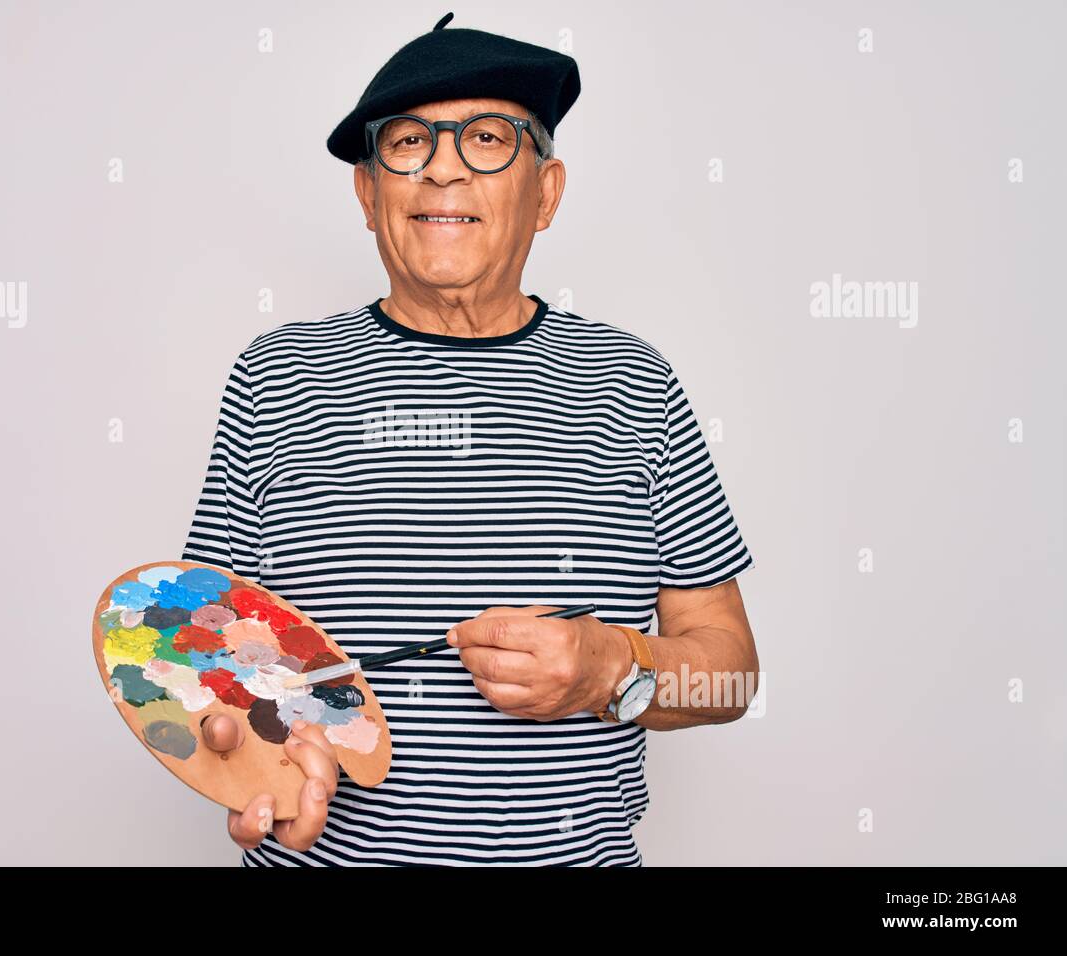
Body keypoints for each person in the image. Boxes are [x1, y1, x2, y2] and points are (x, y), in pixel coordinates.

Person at [183, 12, 759, 866]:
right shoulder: (277, 378)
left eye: (488, 138)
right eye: (407, 142)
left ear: (546, 193)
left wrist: (611, 667)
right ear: (369, 194)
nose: (443, 167)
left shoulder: (634, 383)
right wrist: (258, 757)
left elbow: (731, 673)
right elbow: (200, 651)